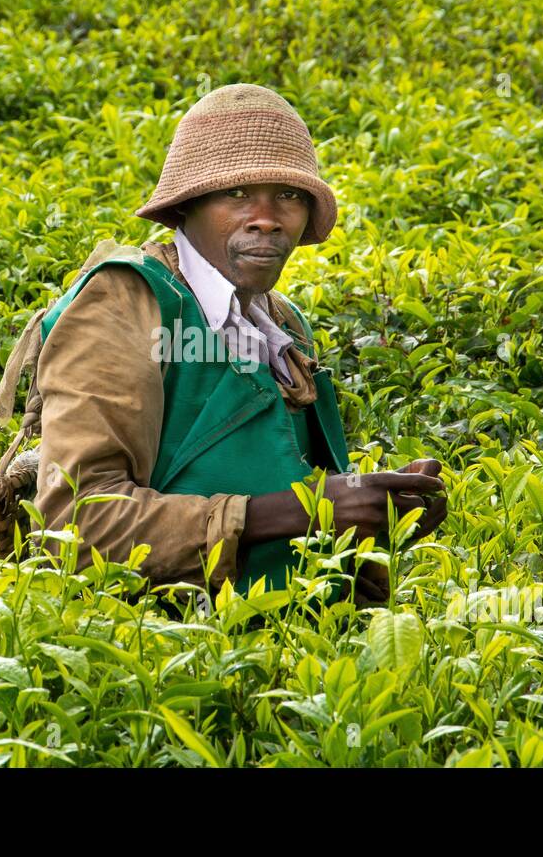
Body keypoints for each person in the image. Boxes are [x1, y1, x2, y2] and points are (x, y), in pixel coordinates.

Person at [27, 83, 447, 607]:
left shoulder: (282, 322)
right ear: (188, 207)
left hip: (300, 641)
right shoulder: (123, 303)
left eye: (289, 196)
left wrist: (377, 499)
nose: (267, 217)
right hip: (164, 648)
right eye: (237, 193)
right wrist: (307, 508)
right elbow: (77, 525)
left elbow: (270, 469)